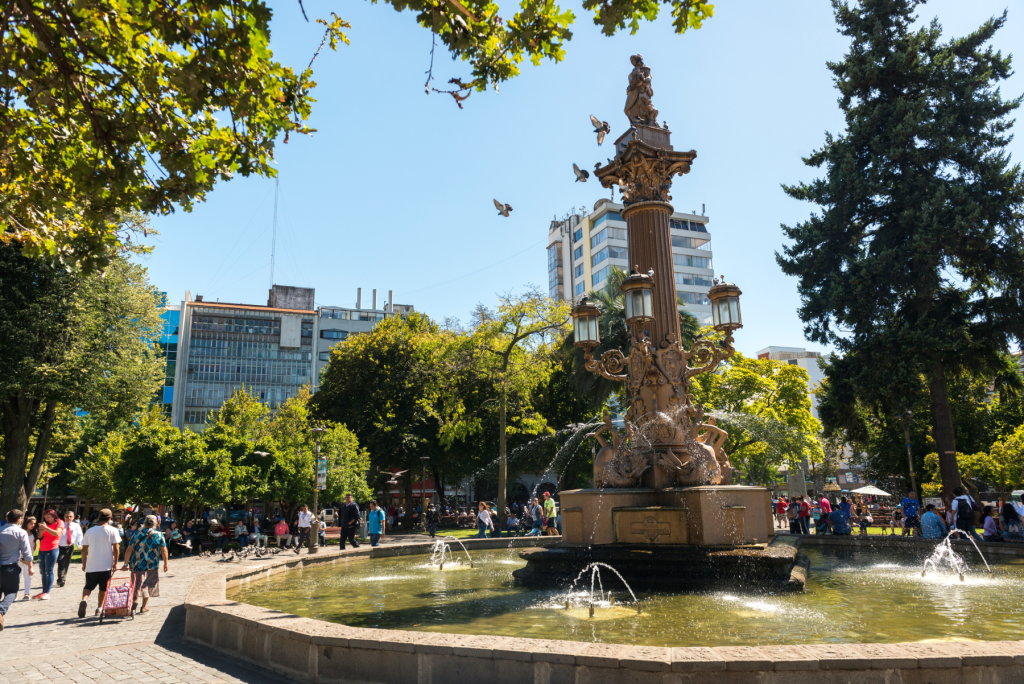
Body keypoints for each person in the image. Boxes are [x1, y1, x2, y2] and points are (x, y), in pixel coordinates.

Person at [78, 508, 122, 619]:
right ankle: (99, 608)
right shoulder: (113, 530)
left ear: (98, 518)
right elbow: (116, 548)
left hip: (92, 564)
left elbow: (84, 549)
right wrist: (115, 563)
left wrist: (84, 563)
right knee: (103, 588)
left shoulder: (90, 531)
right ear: (110, 518)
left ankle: (84, 599)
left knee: (88, 586)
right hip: (106, 565)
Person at [122, 515, 168, 614]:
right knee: (147, 585)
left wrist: (125, 564)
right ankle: (143, 606)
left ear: (144, 523)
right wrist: (166, 563)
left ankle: (134, 601)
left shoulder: (136, 535)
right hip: (152, 564)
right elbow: (164, 550)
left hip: (137, 564)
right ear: (155, 523)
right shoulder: (159, 535)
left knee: (136, 584)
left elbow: (129, 550)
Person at [0, 510, 34, 631]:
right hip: (10, 567)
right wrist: (30, 566)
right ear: (19, 519)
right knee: (11, 592)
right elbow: (26, 552)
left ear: (6, 518)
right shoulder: (21, 532)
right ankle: (1, 611)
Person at [32, 509, 63, 599]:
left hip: (52, 549)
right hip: (42, 549)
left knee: (49, 571)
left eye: (48, 517)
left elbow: (57, 534)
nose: (47, 519)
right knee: (43, 572)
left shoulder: (59, 522)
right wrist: (41, 530)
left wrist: (46, 528)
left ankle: (47, 592)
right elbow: (40, 536)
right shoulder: (47, 524)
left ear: (54, 515)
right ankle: (43, 591)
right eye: (45, 518)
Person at [56, 510, 83, 588]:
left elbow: (79, 536)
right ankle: (61, 579)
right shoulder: (60, 525)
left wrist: (79, 545)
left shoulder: (76, 526)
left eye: (70, 516)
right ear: (64, 517)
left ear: (73, 517)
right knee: (61, 562)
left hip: (70, 547)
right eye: (67, 516)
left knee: (66, 563)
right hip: (60, 547)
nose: (68, 518)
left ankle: (62, 578)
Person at [19, 516, 37, 600]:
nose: (33, 525)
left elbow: (34, 544)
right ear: (26, 523)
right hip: (19, 556)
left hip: (29, 556)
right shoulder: (21, 531)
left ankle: (26, 593)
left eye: (34, 523)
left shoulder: (34, 532)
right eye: (31, 523)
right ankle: (15, 594)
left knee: (27, 575)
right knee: (17, 576)